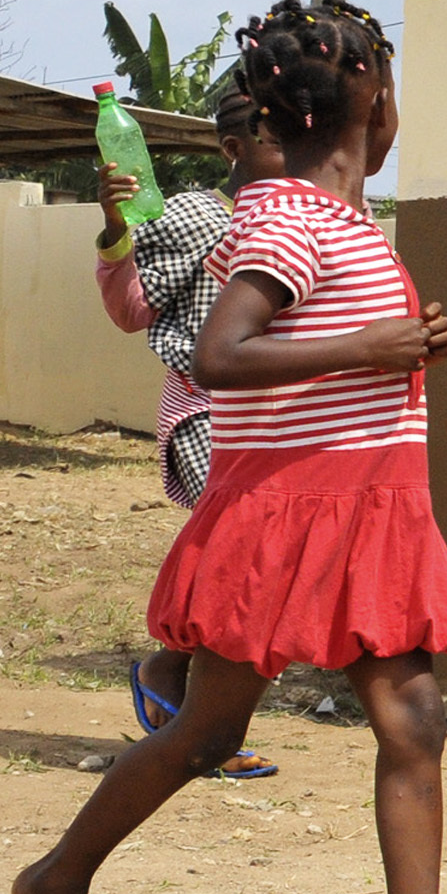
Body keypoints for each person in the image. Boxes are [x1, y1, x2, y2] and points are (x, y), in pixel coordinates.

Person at [0, 0, 447, 894]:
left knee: (414, 719)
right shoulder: (290, 218)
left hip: (367, 511)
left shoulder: (339, 215)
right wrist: (373, 347)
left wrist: (392, 347)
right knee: (206, 736)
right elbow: (220, 354)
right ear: (373, 105)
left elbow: (322, 321)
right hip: (289, 516)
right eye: (387, 84)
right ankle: (50, 885)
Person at [95, 86, 284, 777]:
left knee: (256, 561)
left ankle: (179, 687)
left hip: (276, 419)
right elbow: (133, 308)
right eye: (280, 140)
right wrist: (113, 229)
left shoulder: (301, 216)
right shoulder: (199, 217)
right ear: (235, 149)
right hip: (209, 411)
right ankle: (188, 704)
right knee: (242, 555)